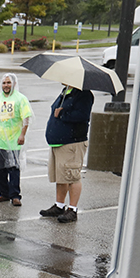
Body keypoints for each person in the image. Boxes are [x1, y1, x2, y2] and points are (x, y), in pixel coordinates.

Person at [40, 83, 94, 223]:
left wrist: (63, 113)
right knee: (61, 176)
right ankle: (59, 206)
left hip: (72, 142)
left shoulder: (84, 94)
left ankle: (72, 210)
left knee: (72, 176)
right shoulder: (66, 91)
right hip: (59, 142)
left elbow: (82, 115)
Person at [0, 73, 33, 207]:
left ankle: (15, 195)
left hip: (13, 140)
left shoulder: (20, 99)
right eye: (4, 83)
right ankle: (3, 193)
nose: (6, 85)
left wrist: (22, 135)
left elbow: (26, 118)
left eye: (8, 83)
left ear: (14, 84)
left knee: (13, 168)